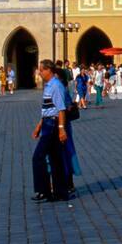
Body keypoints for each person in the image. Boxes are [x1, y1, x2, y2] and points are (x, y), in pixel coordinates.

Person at [31, 60, 72, 201]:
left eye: (41, 70)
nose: (40, 73)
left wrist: (61, 129)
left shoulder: (56, 86)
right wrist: (39, 126)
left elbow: (61, 109)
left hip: (53, 125)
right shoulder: (49, 86)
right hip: (48, 123)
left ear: (49, 70)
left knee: (38, 157)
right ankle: (60, 192)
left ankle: (43, 190)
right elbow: (47, 108)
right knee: (55, 159)